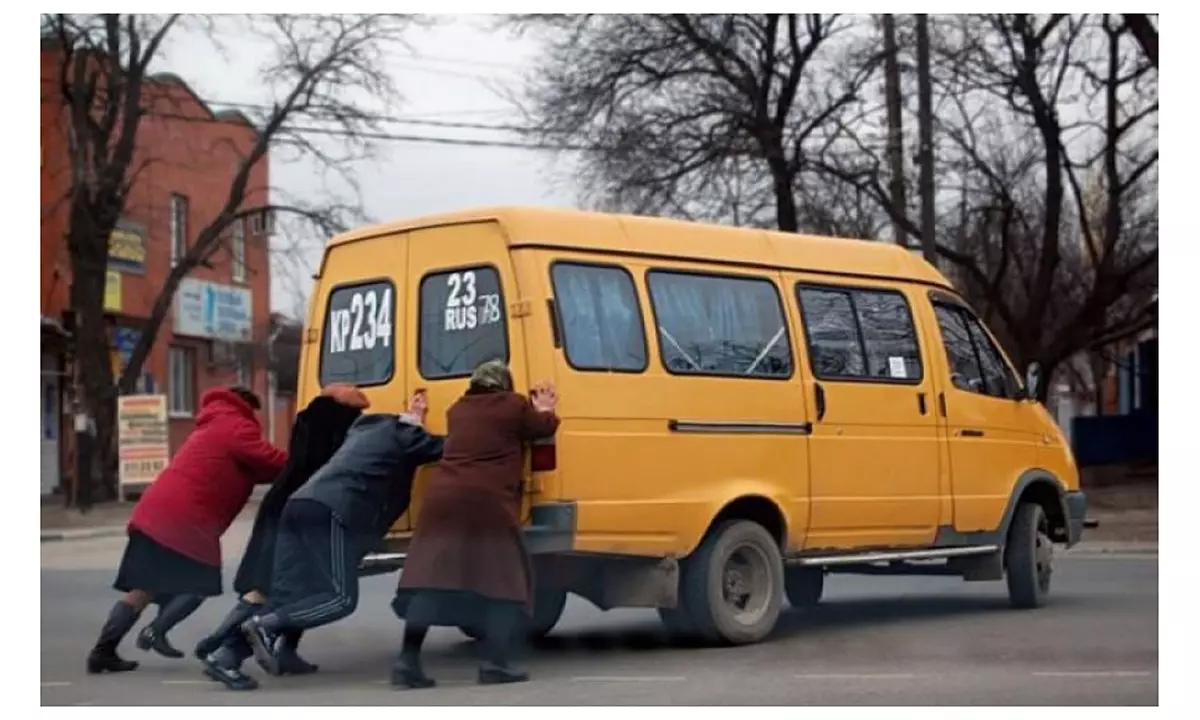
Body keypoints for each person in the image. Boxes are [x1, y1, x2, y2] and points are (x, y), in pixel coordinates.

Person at [221, 391, 444, 690]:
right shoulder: (403, 435)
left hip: (298, 504)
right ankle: (262, 627)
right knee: (338, 598)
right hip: (333, 512)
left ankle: (224, 655)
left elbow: (405, 430)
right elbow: (444, 447)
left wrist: (413, 419)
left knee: (289, 593)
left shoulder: (364, 432)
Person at [86, 386, 287, 675]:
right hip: (185, 519)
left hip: (155, 512)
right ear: (245, 404)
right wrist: (304, 462)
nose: (255, 418)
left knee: (142, 589)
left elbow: (258, 468)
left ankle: (102, 652)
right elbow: (269, 459)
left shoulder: (213, 424)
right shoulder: (235, 423)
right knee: (199, 584)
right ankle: (155, 632)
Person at [389, 360, 560, 689]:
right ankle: (494, 664)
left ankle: (406, 662)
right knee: (504, 581)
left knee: (430, 580)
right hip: (487, 501)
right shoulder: (512, 405)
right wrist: (545, 408)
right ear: (504, 384)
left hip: (441, 500)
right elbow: (542, 427)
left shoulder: (457, 410)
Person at [193, 383, 371, 678]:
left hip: (281, 499)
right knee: (283, 586)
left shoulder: (306, 418)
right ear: (346, 407)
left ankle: (272, 650)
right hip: (303, 504)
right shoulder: (338, 424)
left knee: (273, 584)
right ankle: (222, 645)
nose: (363, 412)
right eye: (359, 408)